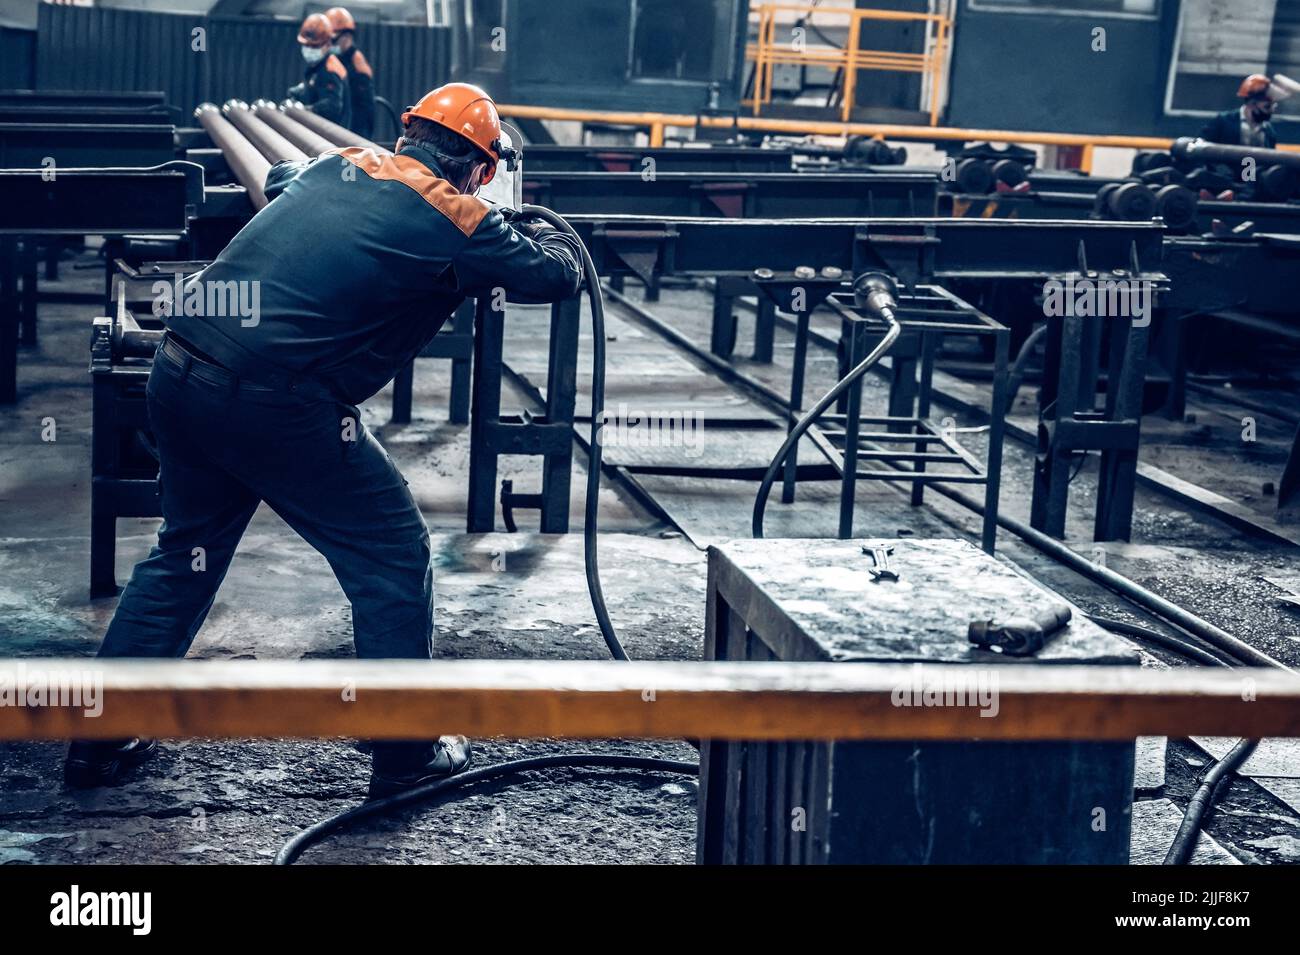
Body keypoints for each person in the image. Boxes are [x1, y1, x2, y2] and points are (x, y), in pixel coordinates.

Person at [64, 84, 584, 798]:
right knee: (393, 552)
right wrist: (546, 227)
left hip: (180, 369)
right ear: (481, 169)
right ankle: (405, 753)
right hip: (273, 400)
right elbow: (554, 274)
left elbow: (278, 176)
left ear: (409, 136)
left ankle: (97, 739)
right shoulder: (460, 214)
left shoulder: (339, 162)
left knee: (184, 552)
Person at [288, 12, 350, 128]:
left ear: (327, 44)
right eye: (306, 45)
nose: (309, 50)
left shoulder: (330, 69)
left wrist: (307, 110)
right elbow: (316, 87)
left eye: (314, 46)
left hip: (332, 134)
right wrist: (302, 90)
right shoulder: (317, 66)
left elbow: (333, 105)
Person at [326, 6, 377, 139]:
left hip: (353, 132)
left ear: (347, 36)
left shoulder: (356, 63)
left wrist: (353, 140)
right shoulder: (336, 59)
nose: (329, 44)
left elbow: (363, 111)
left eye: (333, 40)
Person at [1200, 73, 1289, 148]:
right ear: (1251, 104)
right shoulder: (1224, 121)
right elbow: (1202, 148)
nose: (1271, 111)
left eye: (1273, 106)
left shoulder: (1268, 130)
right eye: (1267, 106)